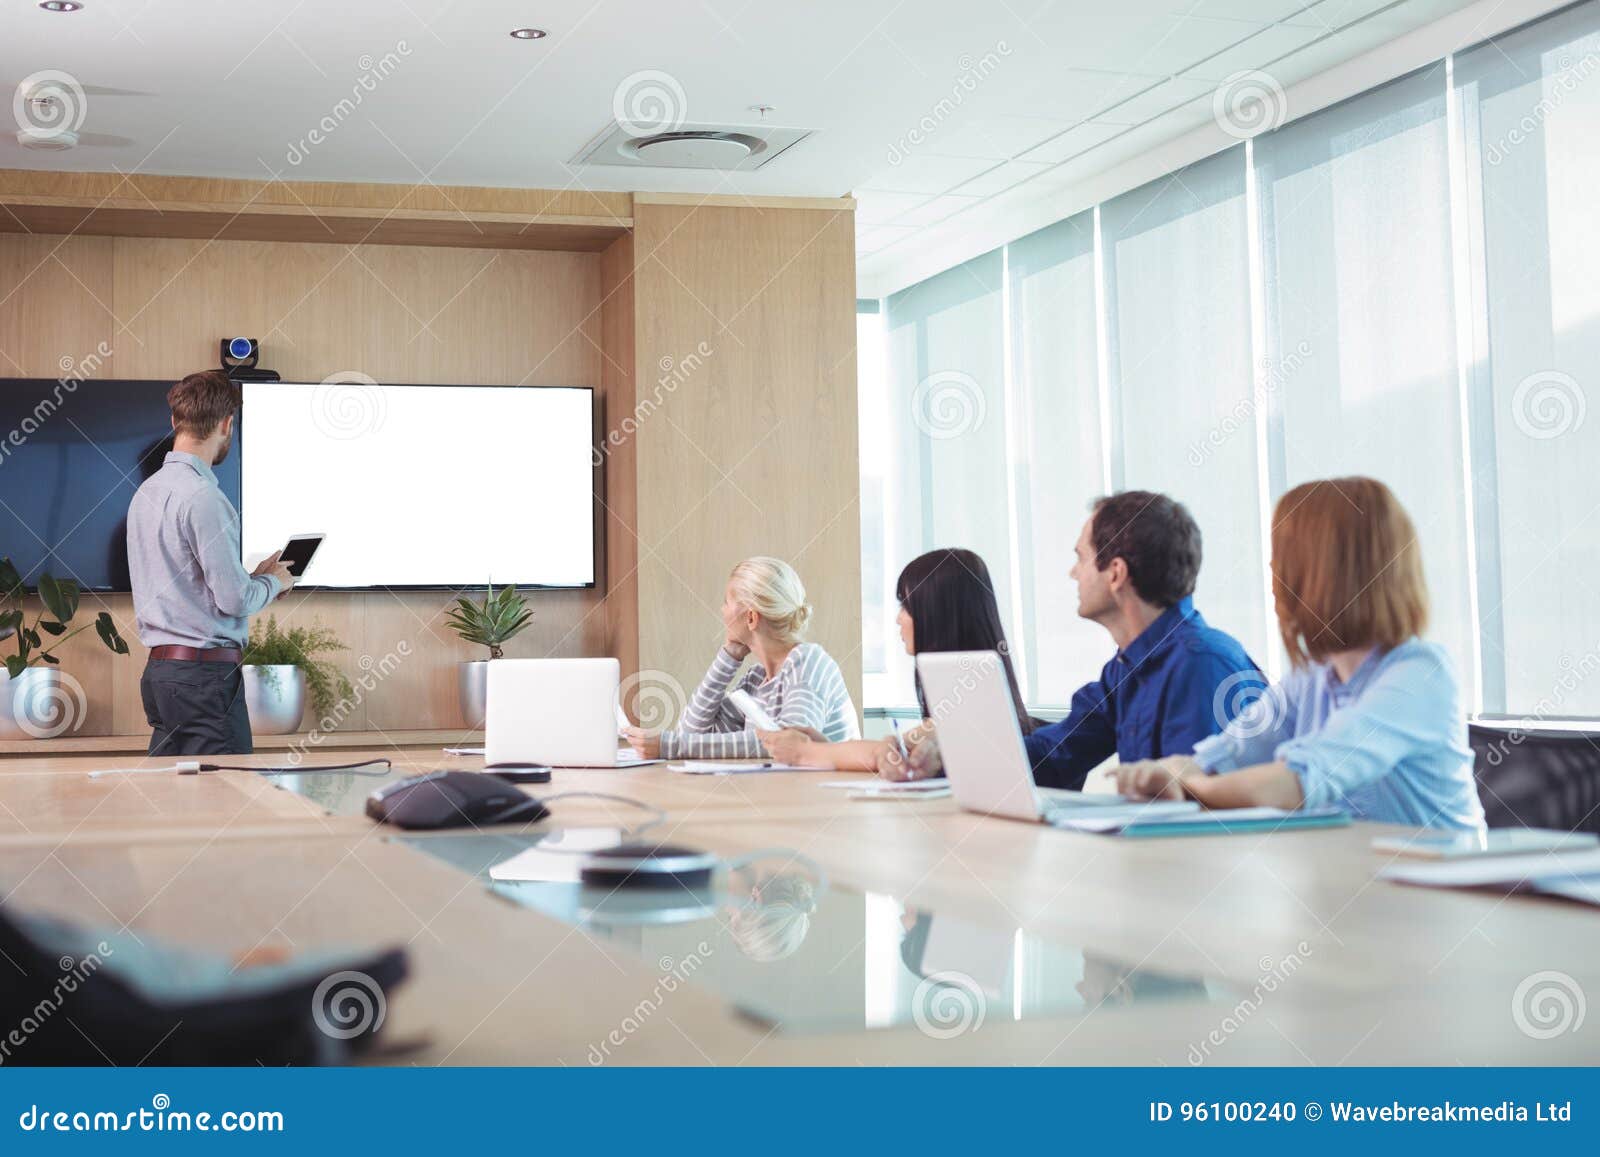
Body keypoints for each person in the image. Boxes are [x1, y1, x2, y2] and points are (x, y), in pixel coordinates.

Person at [1111, 477, 1485, 832]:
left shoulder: (1420, 675)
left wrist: (1188, 785)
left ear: (1330, 573)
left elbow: (1294, 784)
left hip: (1449, 894)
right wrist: (1169, 773)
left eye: (1286, 558)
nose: (1274, 571)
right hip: (1355, 884)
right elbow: (1220, 757)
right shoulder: (1310, 678)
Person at [886, 491, 1265, 786]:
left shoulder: (1202, 664)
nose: (1072, 573)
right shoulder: (1125, 670)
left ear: (1115, 573)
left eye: (1081, 558)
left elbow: (1196, 811)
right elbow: (1052, 754)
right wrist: (949, 754)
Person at [127, 370, 294, 755]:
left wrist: (255, 578)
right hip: (204, 679)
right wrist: (275, 583)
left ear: (175, 421)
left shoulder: (146, 493)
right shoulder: (204, 497)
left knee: (174, 802)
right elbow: (233, 601)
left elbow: (191, 585)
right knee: (227, 804)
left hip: (162, 675)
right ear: (226, 423)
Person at [760, 548, 1031, 770]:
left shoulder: (970, 693)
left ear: (937, 616)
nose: (898, 619)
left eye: (907, 606)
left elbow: (888, 753)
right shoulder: (965, 691)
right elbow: (896, 748)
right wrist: (823, 749)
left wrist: (807, 752)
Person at [624, 556, 858, 759]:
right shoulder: (756, 680)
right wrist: (729, 657)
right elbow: (691, 732)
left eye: (727, 602)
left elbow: (788, 743)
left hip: (822, 802)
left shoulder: (808, 663)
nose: (722, 610)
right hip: (787, 797)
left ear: (751, 618)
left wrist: (670, 746)